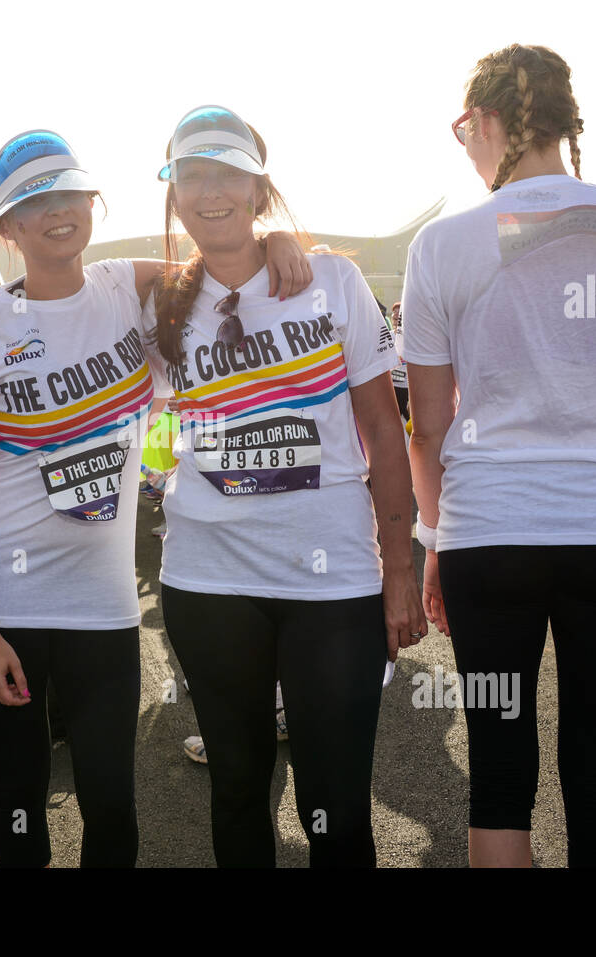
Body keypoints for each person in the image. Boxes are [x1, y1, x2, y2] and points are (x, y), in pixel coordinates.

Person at [0, 128, 309, 868]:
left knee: (112, 804)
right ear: (2, 227)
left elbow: (225, 255)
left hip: (102, 605)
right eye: (32, 202)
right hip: (1, 601)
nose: (56, 211)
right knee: (19, 797)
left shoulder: (126, 287)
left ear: (92, 200)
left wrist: (282, 241)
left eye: (67, 192)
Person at [405, 44, 596, 868]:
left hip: (487, 532)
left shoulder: (442, 244)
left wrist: (439, 538)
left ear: (489, 120)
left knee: (499, 774)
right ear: (567, 122)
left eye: (463, 128)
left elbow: (426, 429)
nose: (463, 145)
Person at [143, 105, 424, 868]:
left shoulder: (330, 277)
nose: (209, 192)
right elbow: (160, 413)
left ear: (259, 189)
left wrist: (398, 569)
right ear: (173, 194)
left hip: (331, 579)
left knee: (333, 804)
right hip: (206, 578)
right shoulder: (157, 301)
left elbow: (383, 432)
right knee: (236, 788)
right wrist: (154, 460)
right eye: (190, 175)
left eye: (227, 174)